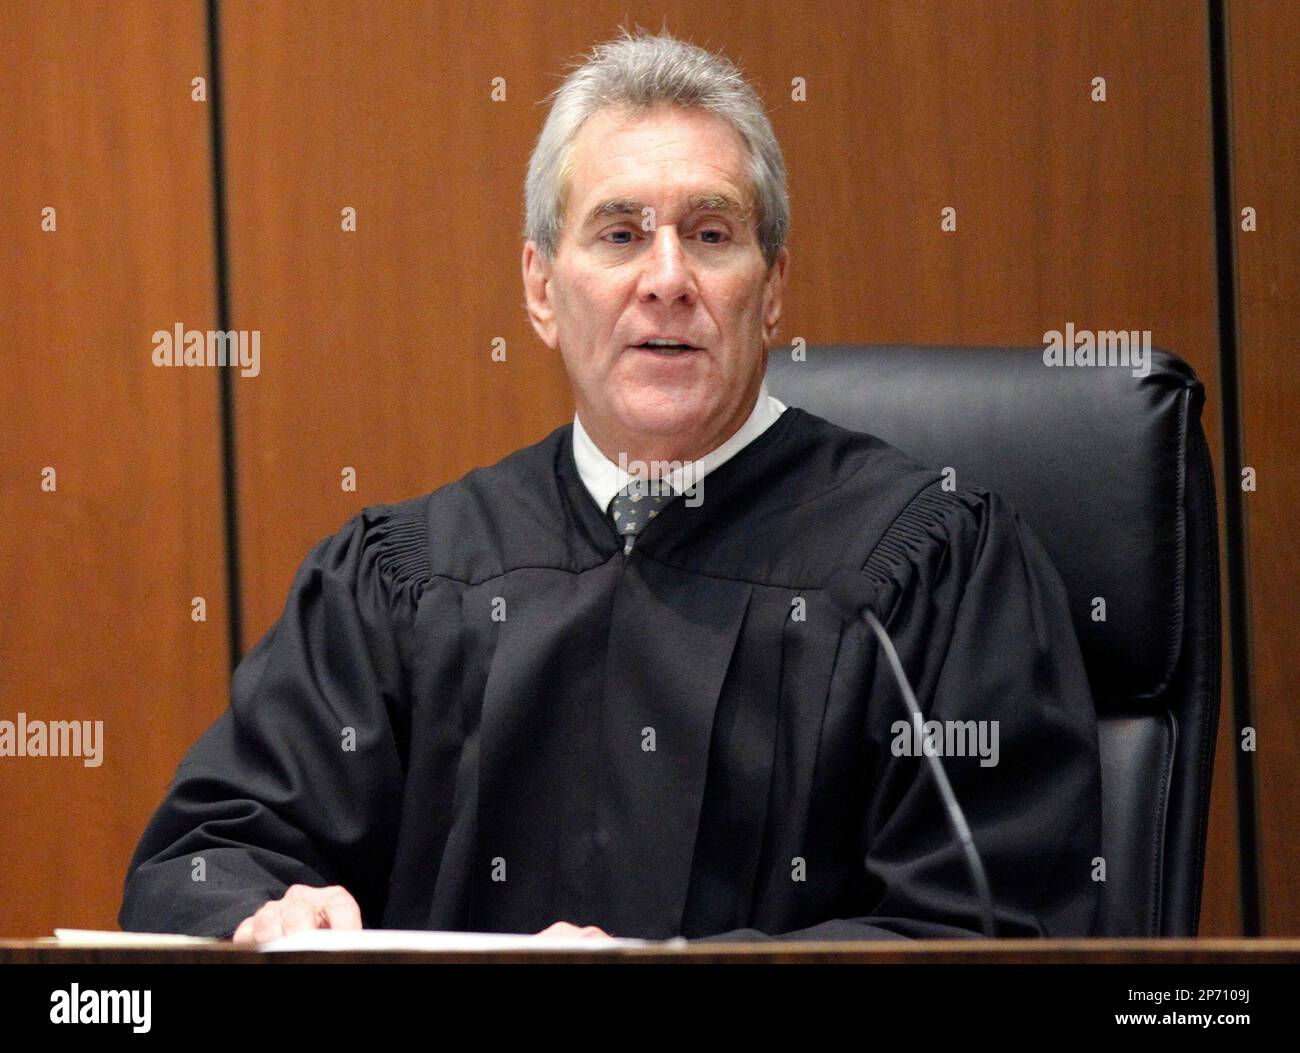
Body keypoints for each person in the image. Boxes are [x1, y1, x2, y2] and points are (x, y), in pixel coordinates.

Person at [120, 27, 1101, 944]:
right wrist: (264, 911)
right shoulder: (406, 580)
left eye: (710, 234)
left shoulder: (928, 570)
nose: (666, 278)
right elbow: (201, 856)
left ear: (771, 288)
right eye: (620, 234)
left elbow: (985, 932)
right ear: (541, 289)